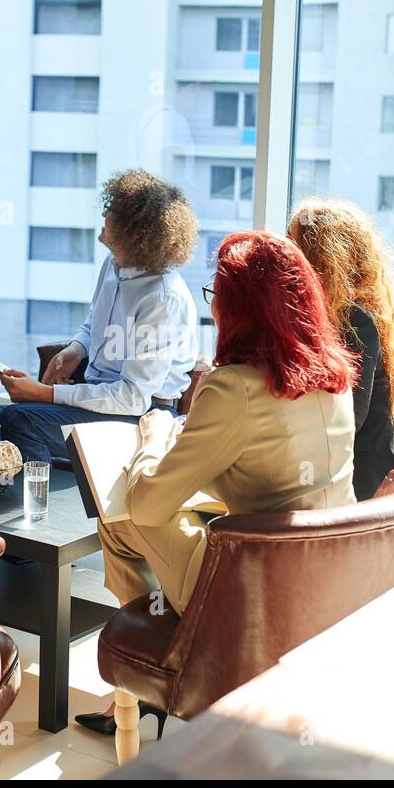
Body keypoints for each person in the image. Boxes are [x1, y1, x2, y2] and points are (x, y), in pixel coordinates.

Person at [75, 229, 357, 734]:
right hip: (326, 575)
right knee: (175, 512)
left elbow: (147, 507)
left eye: (217, 295)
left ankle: (148, 678)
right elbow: (271, 475)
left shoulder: (232, 388)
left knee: (120, 519)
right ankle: (152, 671)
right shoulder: (335, 378)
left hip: (249, 588)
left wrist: (155, 435)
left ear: (238, 307)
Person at [0, 169, 199, 466]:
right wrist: (76, 350)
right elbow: (93, 324)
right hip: (102, 403)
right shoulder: (114, 265)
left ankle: (30, 508)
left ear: (133, 230)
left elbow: (132, 398)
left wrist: (47, 394)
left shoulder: (161, 298)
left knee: (20, 418)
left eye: (110, 211)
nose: (104, 214)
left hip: (142, 418)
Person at [287, 196, 394, 500]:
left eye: (294, 247)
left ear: (322, 260)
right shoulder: (325, 316)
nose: (287, 256)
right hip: (335, 462)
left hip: (365, 473)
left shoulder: (355, 321)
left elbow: (346, 422)